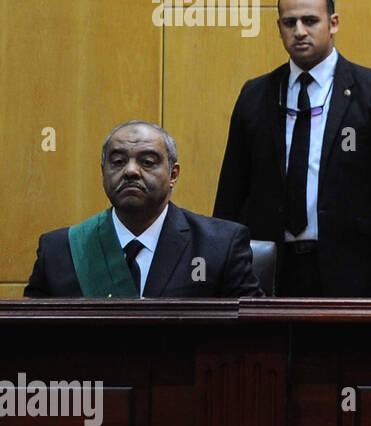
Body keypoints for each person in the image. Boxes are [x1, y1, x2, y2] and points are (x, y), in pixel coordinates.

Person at [212, 0, 371, 297]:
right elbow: (231, 195)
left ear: (333, 23)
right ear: (279, 28)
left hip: (353, 279)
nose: (299, 31)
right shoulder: (255, 95)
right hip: (268, 278)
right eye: (289, 22)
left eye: (310, 21)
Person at [25, 122, 263, 298]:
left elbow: (254, 337)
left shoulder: (219, 246)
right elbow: (27, 344)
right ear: (103, 172)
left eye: (147, 162)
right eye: (118, 162)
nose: (131, 171)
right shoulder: (58, 251)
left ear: (173, 174)